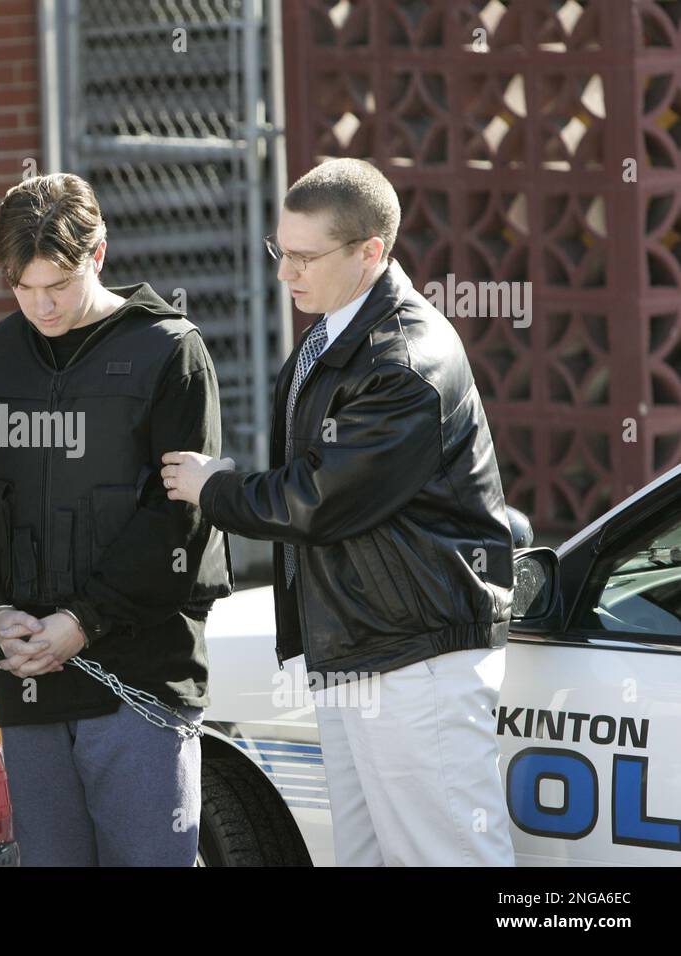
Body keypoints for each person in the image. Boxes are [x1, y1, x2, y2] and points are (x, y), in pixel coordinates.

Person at [162, 158, 516, 866]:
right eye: (279, 251)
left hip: (414, 659)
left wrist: (217, 489)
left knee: (445, 857)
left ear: (370, 252)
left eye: (304, 256)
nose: (286, 272)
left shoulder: (403, 357)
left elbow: (321, 499)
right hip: (361, 650)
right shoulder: (338, 327)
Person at [0, 173, 232, 866]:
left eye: (58, 285)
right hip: (26, 674)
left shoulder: (170, 350)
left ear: (99, 254)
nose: (41, 305)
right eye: (23, 287)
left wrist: (84, 622)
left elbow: (180, 518)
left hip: (140, 674)